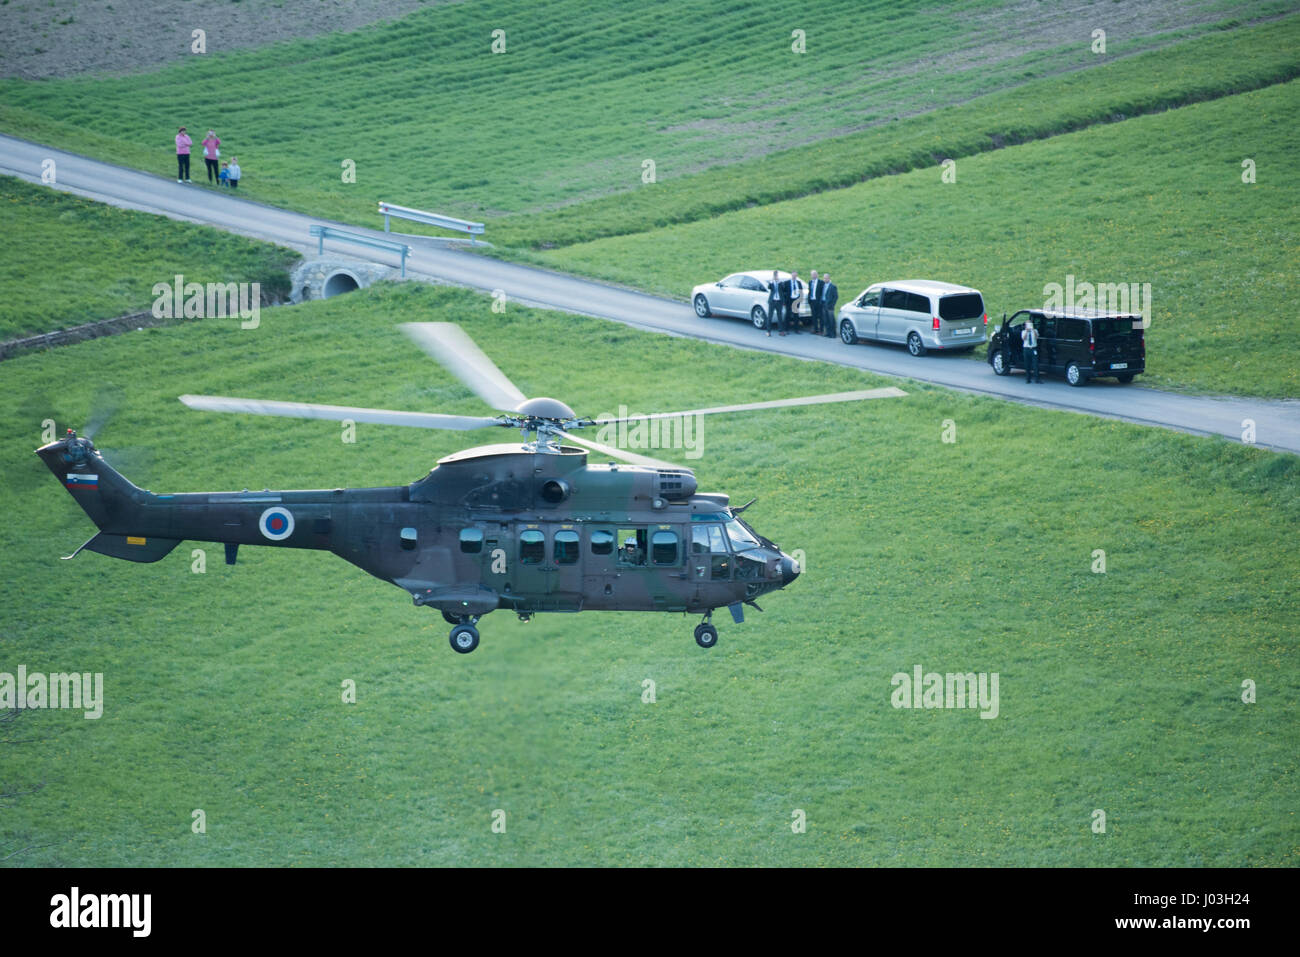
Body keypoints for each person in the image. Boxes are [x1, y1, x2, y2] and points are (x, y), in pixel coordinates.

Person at [808, 270, 825, 337]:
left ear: (817, 275)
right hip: (812, 301)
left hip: (818, 302)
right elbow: (810, 291)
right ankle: (815, 329)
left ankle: (821, 330)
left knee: (820, 316)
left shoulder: (821, 282)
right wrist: (809, 300)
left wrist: (821, 301)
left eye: (815, 274)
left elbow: (822, 293)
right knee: (814, 316)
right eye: (812, 274)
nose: (814, 275)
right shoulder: (810, 282)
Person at [765, 271, 781, 337]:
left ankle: (781, 330)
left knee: (779, 316)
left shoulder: (780, 283)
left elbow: (783, 289)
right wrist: (772, 281)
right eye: (775, 276)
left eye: (777, 276)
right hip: (772, 301)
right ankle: (768, 331)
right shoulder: (771, 283)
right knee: (770, 316)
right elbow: (769, 287)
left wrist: (779, 282)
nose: (776, 277)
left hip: (779, 301)